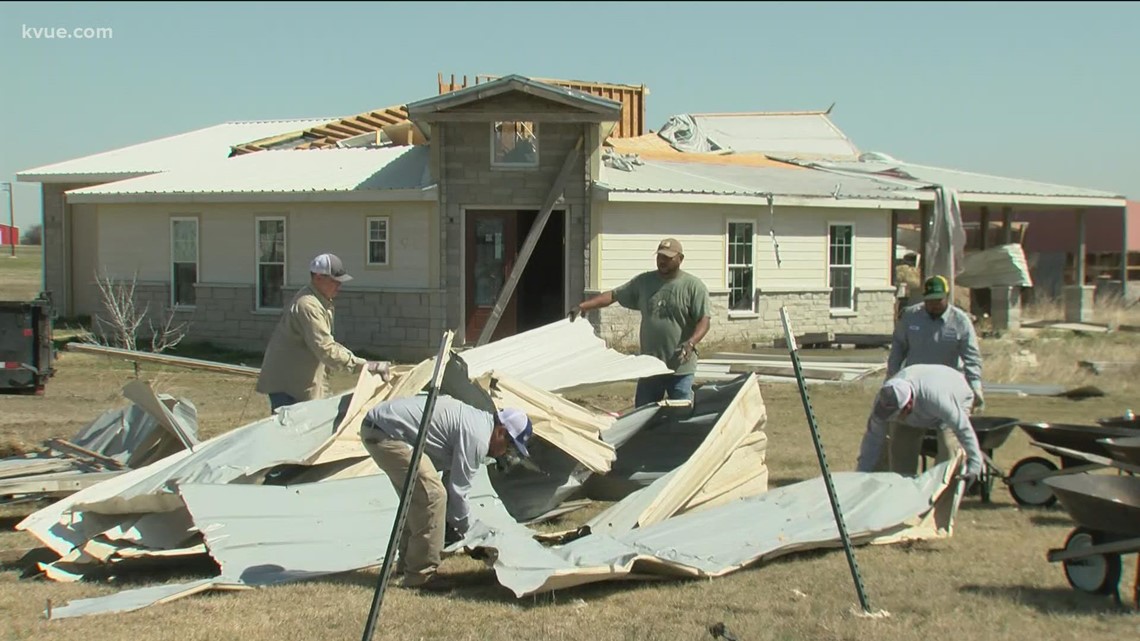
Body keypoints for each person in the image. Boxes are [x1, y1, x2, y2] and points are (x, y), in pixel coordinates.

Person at [360, 395, 533, 592]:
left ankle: (407, 567)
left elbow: (453, 487)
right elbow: (457, 494)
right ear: (501, 432)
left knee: (418, 500)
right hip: (387, 434)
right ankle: (421, 576)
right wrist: (474, 537)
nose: (504, 453)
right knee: (433, 497)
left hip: (380, 428)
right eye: (509, 447)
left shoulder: (477, 424)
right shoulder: (477, 437)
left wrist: (460, 527)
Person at [569, 237, 712, 408]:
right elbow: (613, 295)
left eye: (668, 257)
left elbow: (704, 320)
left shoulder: (693, 286)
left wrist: (691, 343)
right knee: (643, 415)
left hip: (680, 367)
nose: (662, 261)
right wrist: (583, 306)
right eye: (660, 256)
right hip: (650, 366)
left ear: (680, 259)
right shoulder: (644, 282)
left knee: (681, 415)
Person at [255, 253, 389, 412]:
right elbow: (325, 349)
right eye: (334, 281)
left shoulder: (319, 301)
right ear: (318, 278)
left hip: (299, 382)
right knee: (296, 434)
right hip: (289, 387)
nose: (339, 286)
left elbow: (327, 343)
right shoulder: (308, 306)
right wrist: (365, 366)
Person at [855, 363, 984, 486]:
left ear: (908, 405)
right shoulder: (884, 399)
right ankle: (903, 490)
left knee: (948, 448)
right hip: (921, 407)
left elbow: (963, 429)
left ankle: (943, 493)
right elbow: (873, 439)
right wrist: (860, 474)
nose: (892, 418)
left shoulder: (938, 399)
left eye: (895, 414)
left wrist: (975, 466)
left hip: (956, 394)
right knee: (899, 451)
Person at [888, 275, 985, 413]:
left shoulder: (960, 321)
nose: (934, 304)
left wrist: (976, 387)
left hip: (948, 387)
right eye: (930, 300)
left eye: (938, 300)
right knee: (907, 430)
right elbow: (898, 350)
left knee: (947, 431)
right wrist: (892, 378)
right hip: (915, 386)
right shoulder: (910, 317)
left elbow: (972, 358)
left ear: (947, 296)